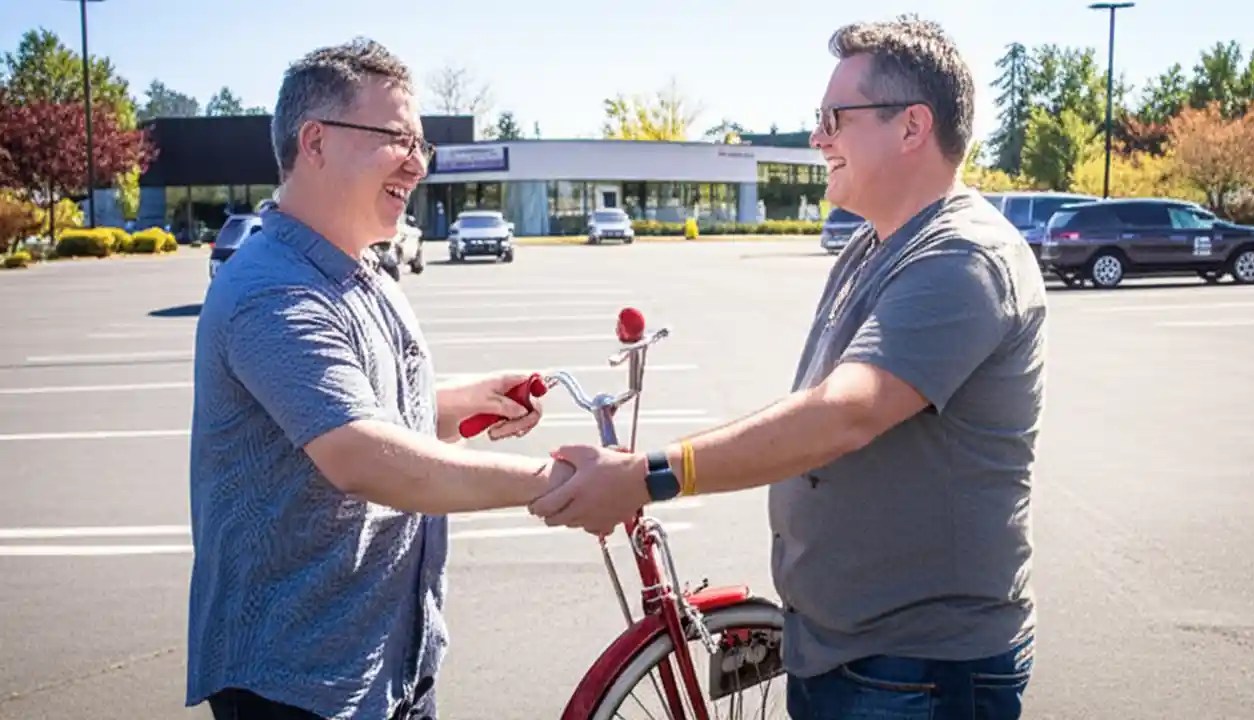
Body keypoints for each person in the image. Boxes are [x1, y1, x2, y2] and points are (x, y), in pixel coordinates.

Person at [529, 16, 1047, 720]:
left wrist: (650, 474)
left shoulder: (964, 259)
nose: (818, 138)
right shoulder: (876, 247)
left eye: (835, 117)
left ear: (911, 127)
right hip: (845, 649)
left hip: (917, 671)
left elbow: (846, 412)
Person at [185, 38, 573, 720]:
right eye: (397, 138)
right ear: (316, 141)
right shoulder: (272, 291)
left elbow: (370, 413)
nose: (418, 163)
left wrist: (461, 402)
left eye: (422, 145)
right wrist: (553, 483)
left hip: (388, 663)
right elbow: (360, 456)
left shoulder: (362, 266)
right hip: (298, 684)